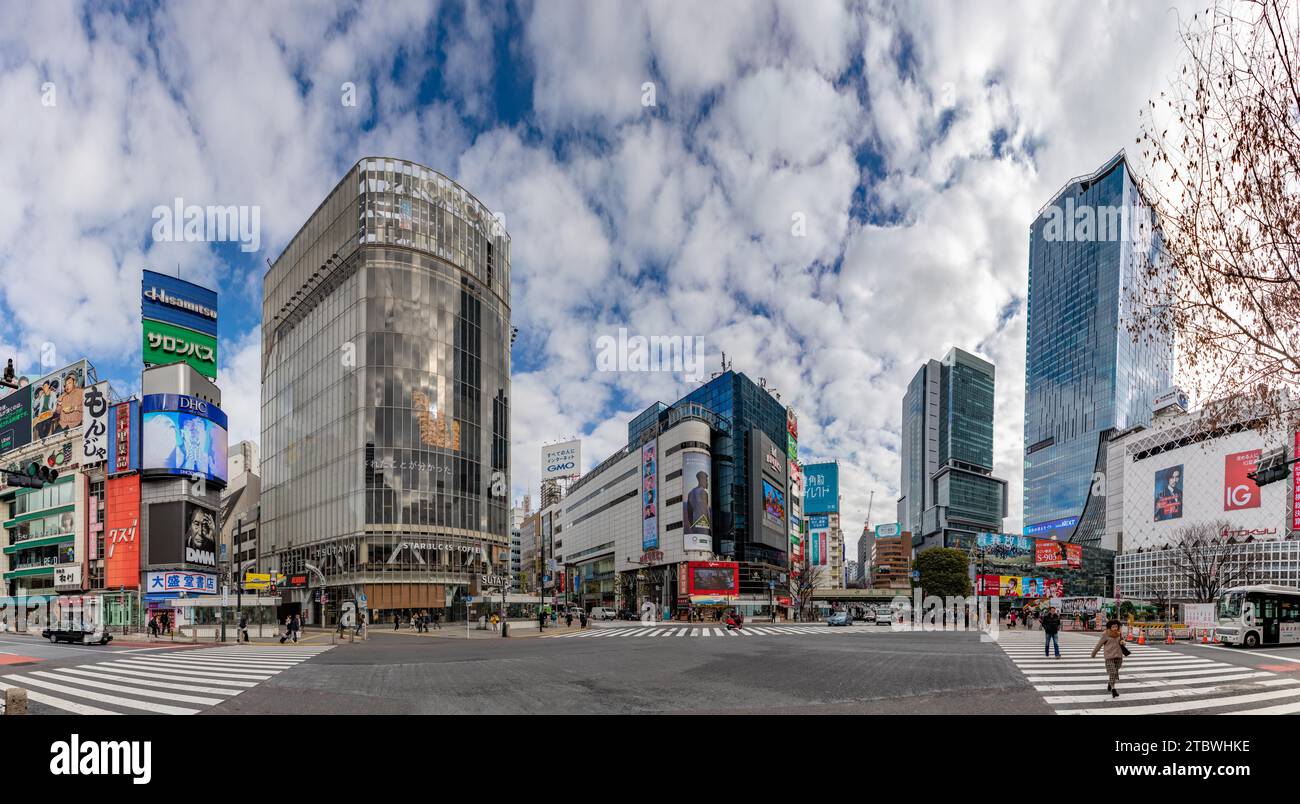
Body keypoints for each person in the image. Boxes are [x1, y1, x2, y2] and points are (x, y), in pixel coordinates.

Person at [1091, 619, 1127, 697]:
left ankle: (1109, 683)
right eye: (1113, 626)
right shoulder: (1105, 634)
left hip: (1118, 656)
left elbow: (1123, 642)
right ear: (1109, 627)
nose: (1115, 628)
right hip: (1109, 656)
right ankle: (1113, 689)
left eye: (1116, 626)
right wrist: (1094, 653)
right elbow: (1099, 644)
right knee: (1113, 672)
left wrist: (1123, 642)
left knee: (1115, 672)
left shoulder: (1119, 634)